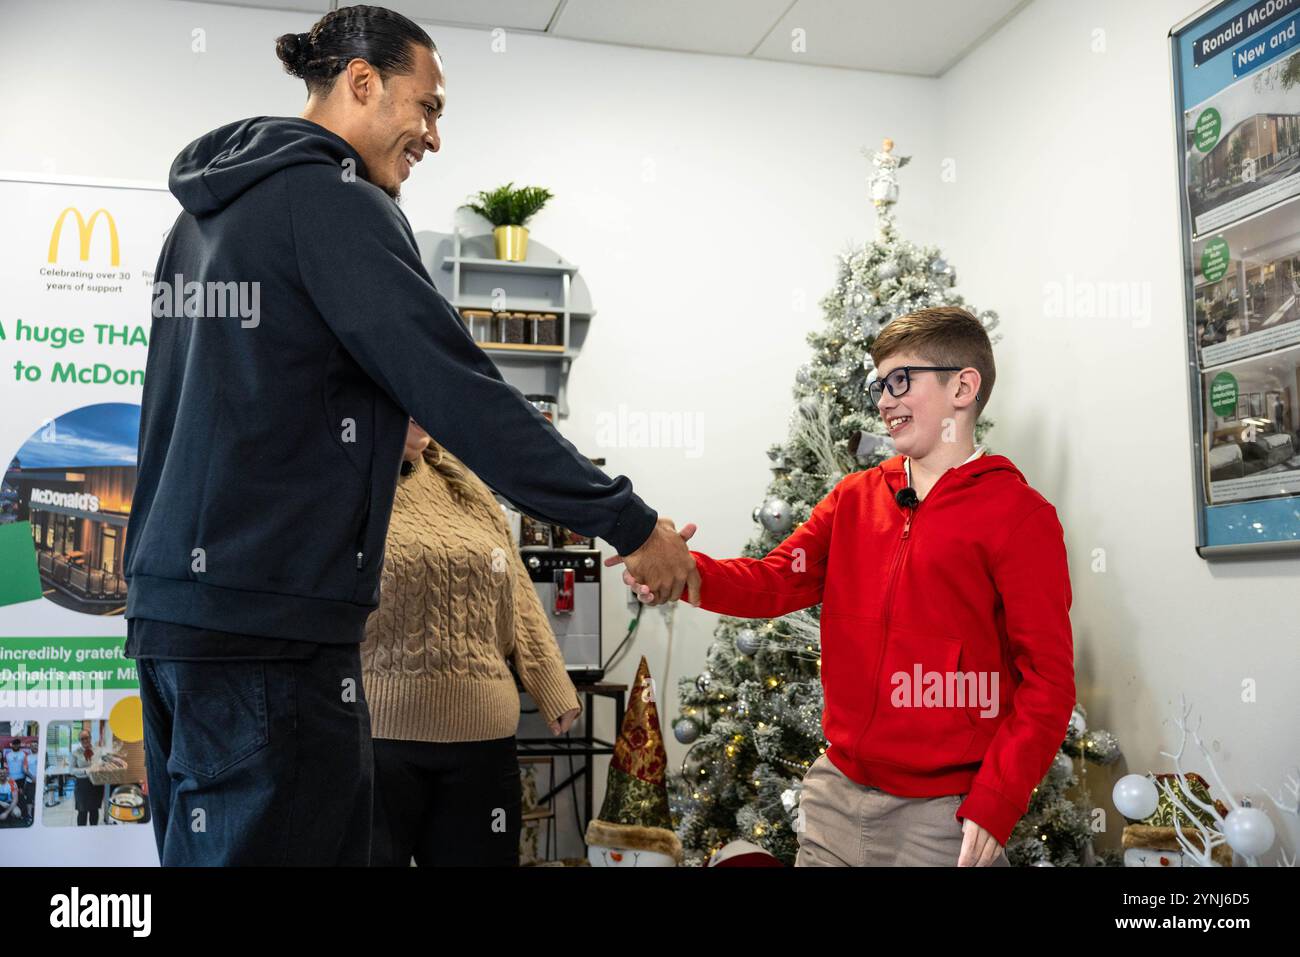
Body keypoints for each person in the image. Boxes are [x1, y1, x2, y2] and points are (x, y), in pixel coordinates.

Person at [123, 5, 698, 866]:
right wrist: (627, 518)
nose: (432, 134)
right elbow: (462, 389)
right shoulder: (335, 199)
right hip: (271, 635)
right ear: (363, 82)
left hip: (175, 620)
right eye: (425, 106)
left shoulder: (204, 216)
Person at [614, 307, 1076, 866]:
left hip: (942, 815)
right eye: (879, 384)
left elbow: (1048, 683)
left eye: (901, 380)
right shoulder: (855, 498)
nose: (883, 400)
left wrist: (997, 800)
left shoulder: (1020, 516)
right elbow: (775, 580)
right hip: (835, 795)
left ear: (963, 386)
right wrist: (683, 571)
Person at [364, 421, 581, 866]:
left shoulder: (462, 484)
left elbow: (516, 588)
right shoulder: (342, 476)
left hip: (484, 739)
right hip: (375, 738)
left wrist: (551, 683)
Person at [68, 728, 104, 826]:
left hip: (96, 784)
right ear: (79, 740)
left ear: (90, 738)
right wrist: (85, 770)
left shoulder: (98, 750)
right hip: (82, 785)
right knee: (82, 812)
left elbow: (102, 763)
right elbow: (71, 770)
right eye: (82, 739)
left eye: (86, 738)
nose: (84, 741)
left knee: (94, 811)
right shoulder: (75, 753)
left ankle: (93, 832)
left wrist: (101, 765)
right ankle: (81, 834)